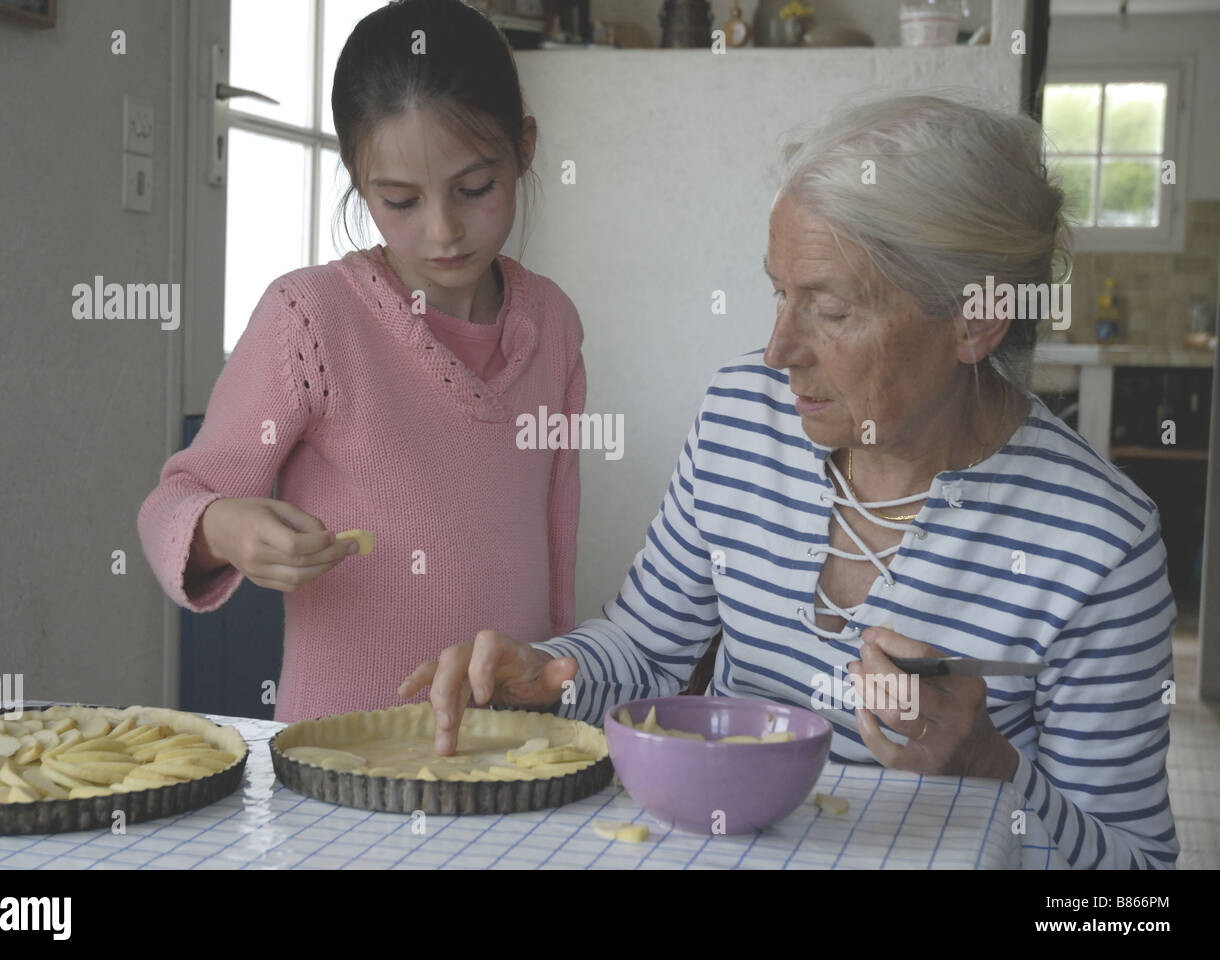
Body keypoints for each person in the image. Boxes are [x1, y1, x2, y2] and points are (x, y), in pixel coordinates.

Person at [404, 95, 1179, 869]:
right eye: (781, 293)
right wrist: (549, 677)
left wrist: (988, 768)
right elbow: (645, 650)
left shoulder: (1099, 544)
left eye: (832, 310)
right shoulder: (745, 416)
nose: (779, 351)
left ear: (975, 322)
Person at [138, 0, 585, 722]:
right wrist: (225, 529)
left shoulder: (553, 323)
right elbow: (172, 505)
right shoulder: (312, 320)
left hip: (514, 746)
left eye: (475, 189)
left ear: (524, 148)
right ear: (356, 177)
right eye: (400, 200)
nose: (442, 231)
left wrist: (565, 695)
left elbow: (556, 540)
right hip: (339, 756)